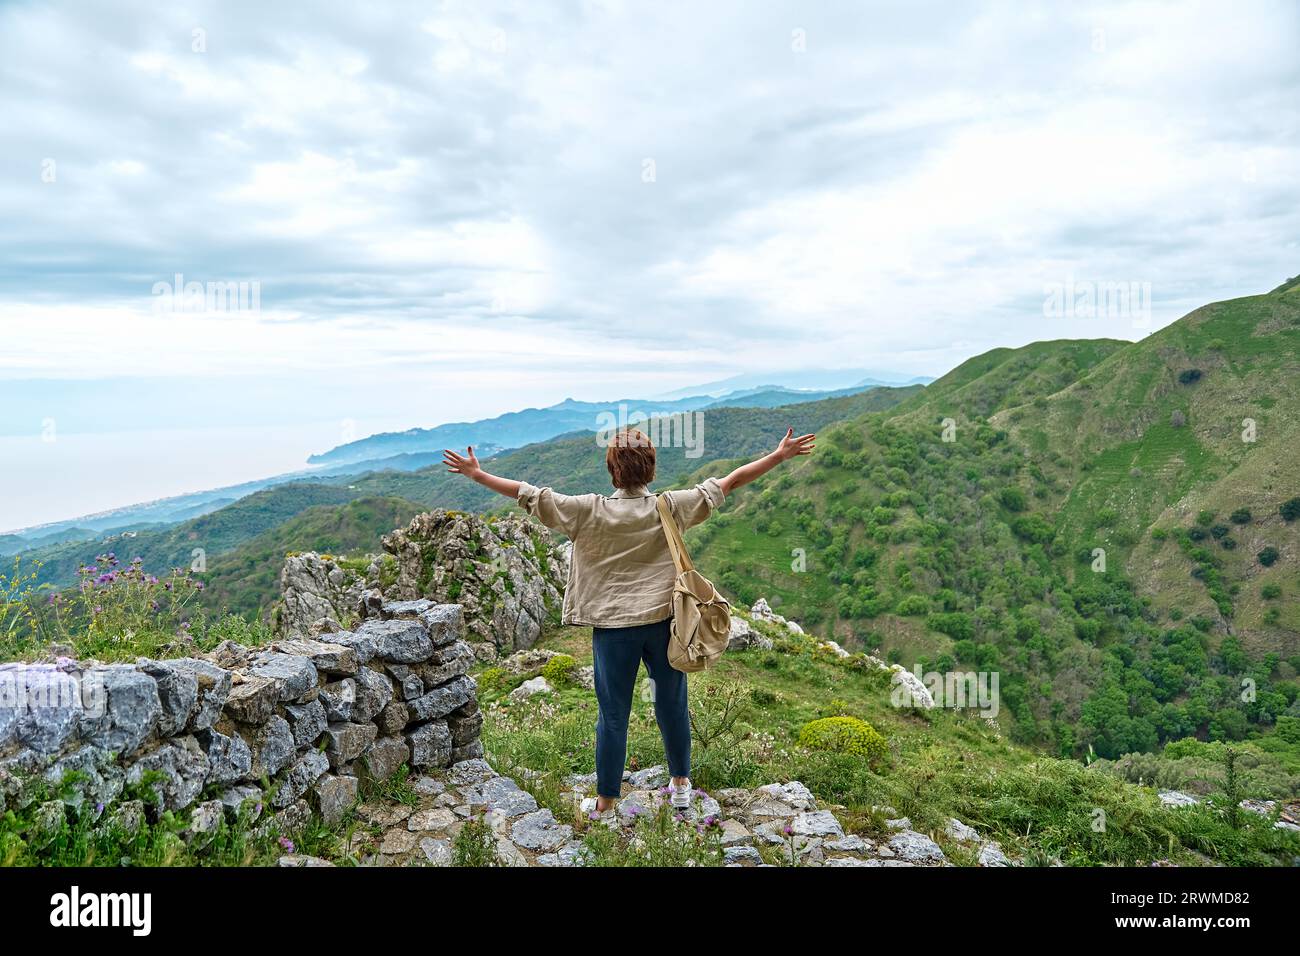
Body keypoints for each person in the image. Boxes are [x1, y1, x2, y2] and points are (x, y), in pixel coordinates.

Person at [442, 425, 815, 814]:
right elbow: (729, 482)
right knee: (671, 705)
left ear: (612, 471)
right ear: (651, 469)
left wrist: (477, 474)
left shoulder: (586, 511)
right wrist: (779, 456)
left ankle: (605, 803)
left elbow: (528, 494)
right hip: (664, 625)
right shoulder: (671, 506)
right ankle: (681, 786)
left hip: (613, 631)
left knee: (614, 716)